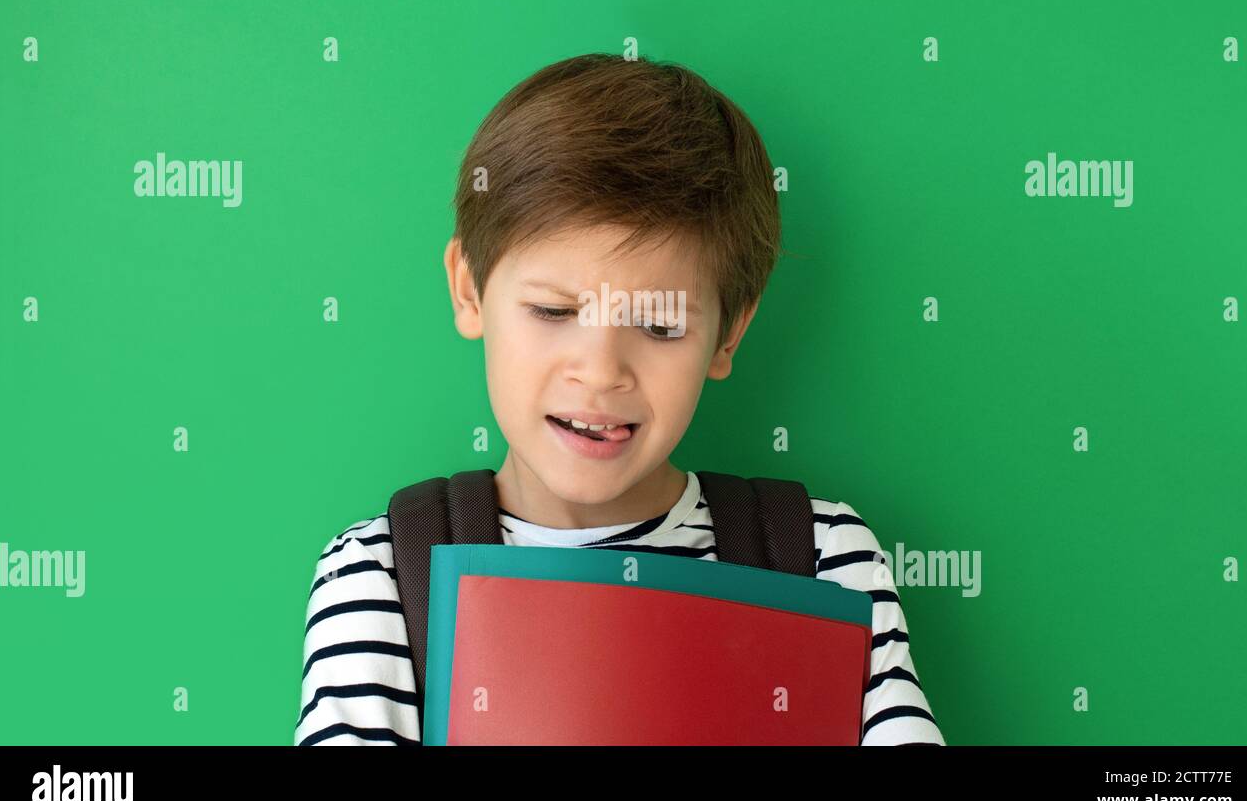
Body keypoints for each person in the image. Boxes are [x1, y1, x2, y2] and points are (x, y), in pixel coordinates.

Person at [294, 52, 945, 746]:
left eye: (660, 325)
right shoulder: (386, 577)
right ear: (469, 288)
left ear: (728, 334)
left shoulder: (821, 560)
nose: (601, 371)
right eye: (551, 310)